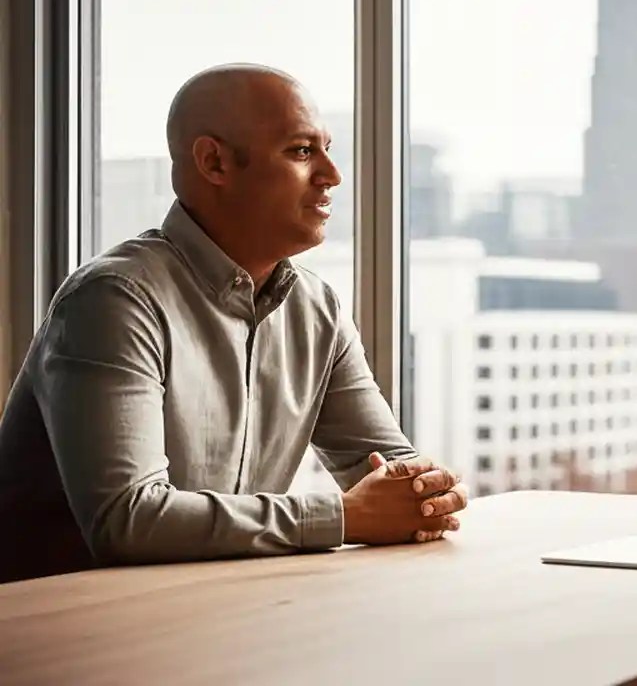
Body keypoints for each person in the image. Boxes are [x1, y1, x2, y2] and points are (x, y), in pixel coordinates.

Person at [0, 64, 467, 584]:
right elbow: (128, 522)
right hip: (55, 630)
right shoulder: (114, 300)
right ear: (214, 162)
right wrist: (345, 517)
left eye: (327, 149)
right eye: (301, 151)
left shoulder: (317, 308)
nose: (333, 175)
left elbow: (390, 472)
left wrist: (425, 494)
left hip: (211, 609)